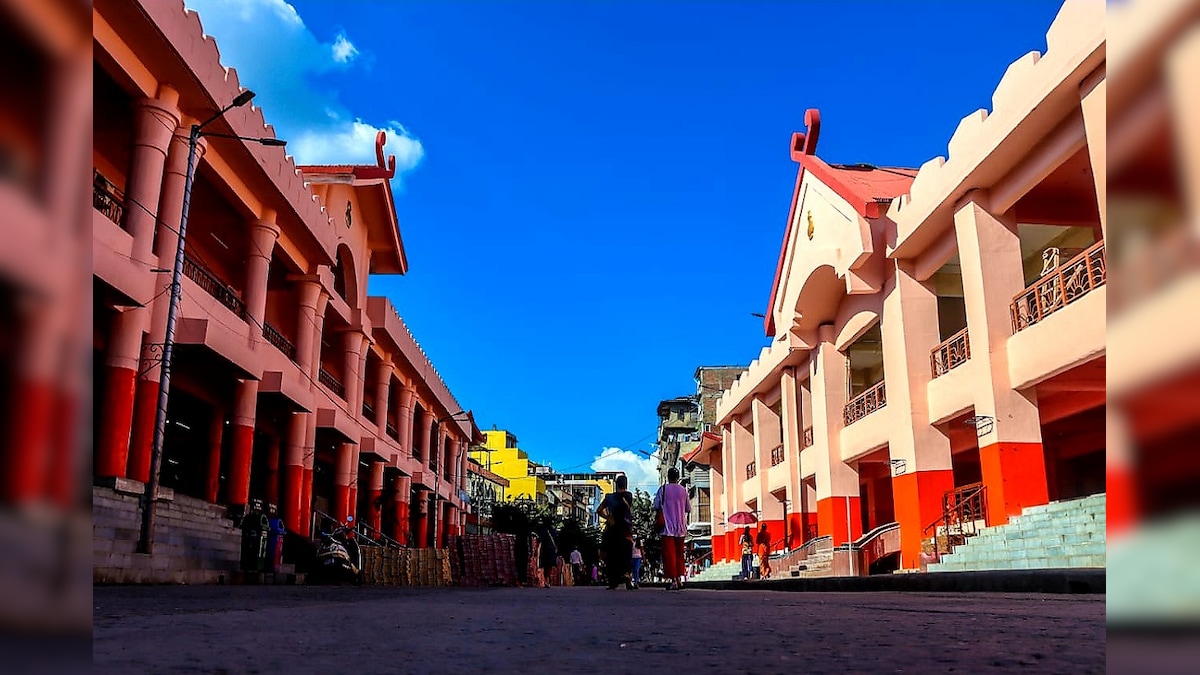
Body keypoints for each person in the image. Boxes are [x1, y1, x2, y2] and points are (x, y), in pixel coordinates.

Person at [653, 467, 691, 591]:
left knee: (670, 555)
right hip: (680, 527)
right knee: (680, 554)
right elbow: (688, 509)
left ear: (668, 477)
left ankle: (673, 580)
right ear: (678, 477)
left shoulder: (663, 489)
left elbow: (656, 505)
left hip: (667, 527)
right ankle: (679, 579)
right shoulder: (683, 490)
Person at [596, 474, 634, 590]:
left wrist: (608, 517)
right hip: (625, 529)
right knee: (626, 552)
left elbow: (599, 510)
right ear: (626, 485)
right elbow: (628, 508)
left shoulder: (608, 497)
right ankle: (627, 575)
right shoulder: (628, 495)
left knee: (612, 554)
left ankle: (613, 581)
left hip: (612, 528)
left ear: (616, 484)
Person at [536, 522, 558, 588]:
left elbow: (540, 540)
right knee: (549, 566)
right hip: (551, 550)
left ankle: (545, 580)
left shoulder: (542, 531)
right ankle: (547, 580)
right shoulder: (552, 531)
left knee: (545, 565)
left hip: (545, 550)